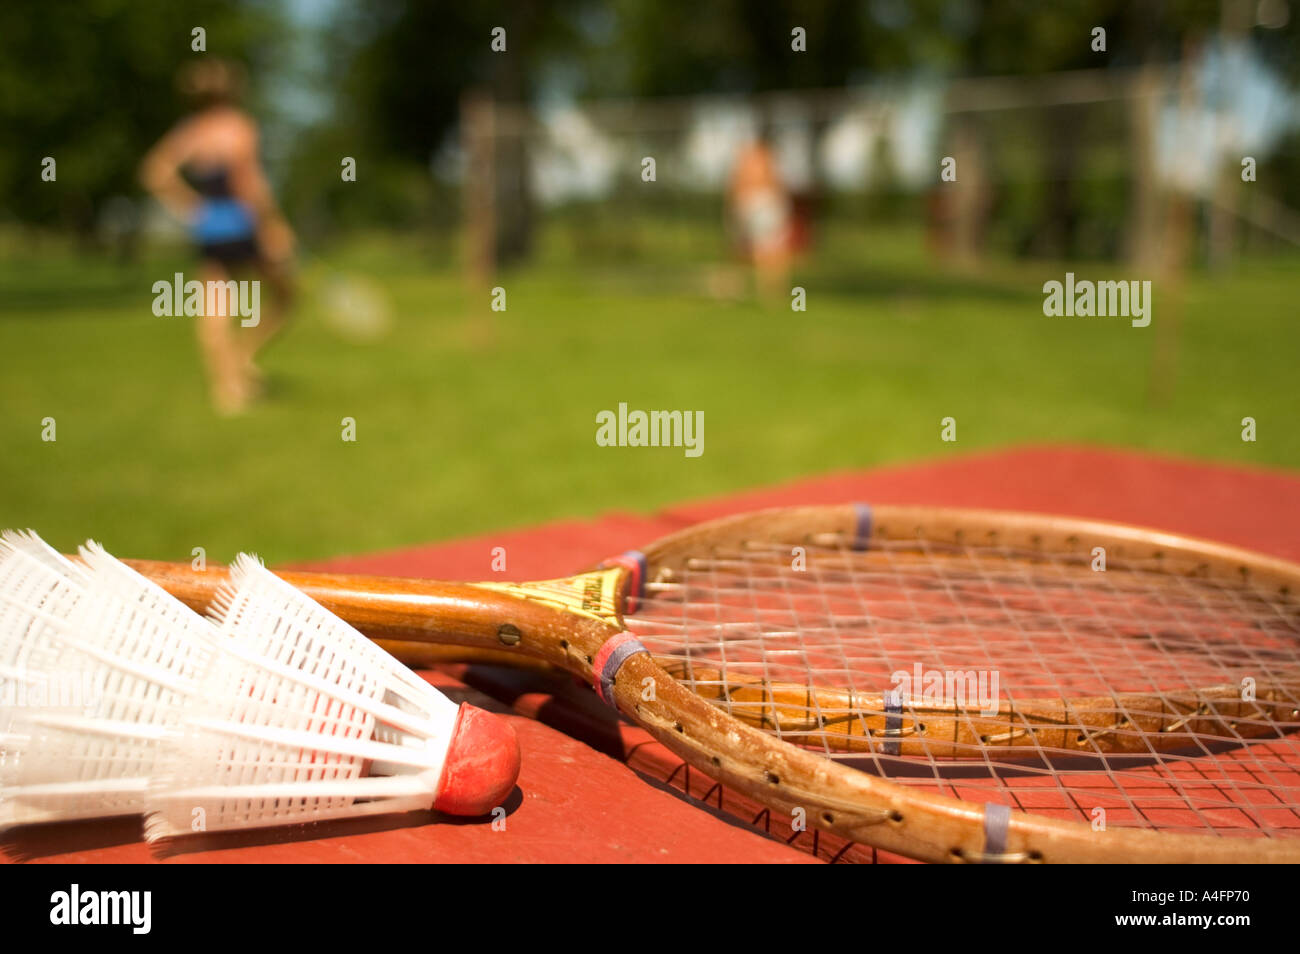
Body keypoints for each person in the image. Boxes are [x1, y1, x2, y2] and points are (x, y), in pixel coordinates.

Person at [140, 59, 295, 413]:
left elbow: (154, 172)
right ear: (232, 90)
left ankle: (227, 391)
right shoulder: (238, 126)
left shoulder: (191, 131)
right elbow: (248, 182)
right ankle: (243, 356)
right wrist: (272, 224)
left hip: (210, 228)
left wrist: (192, 207)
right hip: (243, 223)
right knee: (285, 295)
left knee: (215, 309)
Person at [727, 125, 794, 301]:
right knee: (745, 250)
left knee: (769, 250)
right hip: (749, 204)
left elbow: (776, 182)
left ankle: (771, 292)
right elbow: (736, 182)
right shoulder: (750, 157)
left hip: (762, 204)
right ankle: (746, 290)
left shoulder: (763, 157)